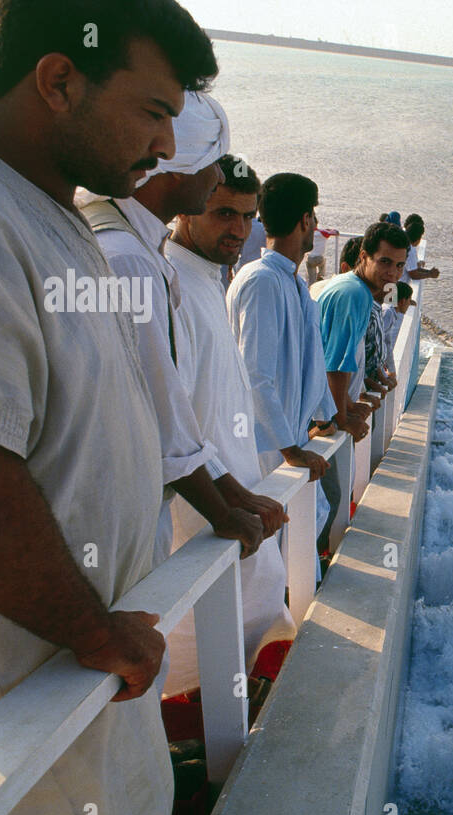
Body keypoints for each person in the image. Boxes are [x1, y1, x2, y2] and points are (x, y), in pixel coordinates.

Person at [0, 0, 217, 815]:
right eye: (154, 113)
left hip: (75, 737)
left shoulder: (44, 211)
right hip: (2, 770)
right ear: (60, 79)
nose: (167, 151)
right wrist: (95, 629)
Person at [79, 92, 267, 569]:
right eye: (213, 164)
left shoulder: (132, 246)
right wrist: (224, 512)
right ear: (177, 168)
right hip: (116, 529)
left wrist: (234, 497)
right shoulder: (130, 260)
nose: (221, 178)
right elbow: (166, 418)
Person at [163, 154, 297, 694]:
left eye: (246, 216)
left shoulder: (209, 279)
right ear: (191, 210)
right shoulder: (168, 282)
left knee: (251, 639)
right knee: (197, 656)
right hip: (199, 512)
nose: (238, 230)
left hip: (234, 501)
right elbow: (172, 420)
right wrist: (229, 501)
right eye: (223, 214)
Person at [226, 172, 336, 544]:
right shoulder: (262, 281)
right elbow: (255, 375)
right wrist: (291, 449)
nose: (315, 226)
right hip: (266, 447)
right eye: (314, 218)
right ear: (305, 219)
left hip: (288, 438)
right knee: (277, 547)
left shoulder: (293, 283)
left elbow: (312, 360)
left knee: (299, 536)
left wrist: (328, 418)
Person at [316, 221, 409, 451]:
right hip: (322, 417)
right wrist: (344, 418)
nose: (393, 274)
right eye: (385, 262)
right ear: (364, 256)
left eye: (400, 265)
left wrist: (348, 405)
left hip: (327, 408)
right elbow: (335, 365)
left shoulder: (353, 288)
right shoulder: (354, 294)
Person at [400, 213, 439, 284]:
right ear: (418, 238)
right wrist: (430, 274)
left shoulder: (404, 243)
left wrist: (429, 271)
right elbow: (413, 274)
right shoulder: (410, 249)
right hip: (399, 286)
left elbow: (414, 268)